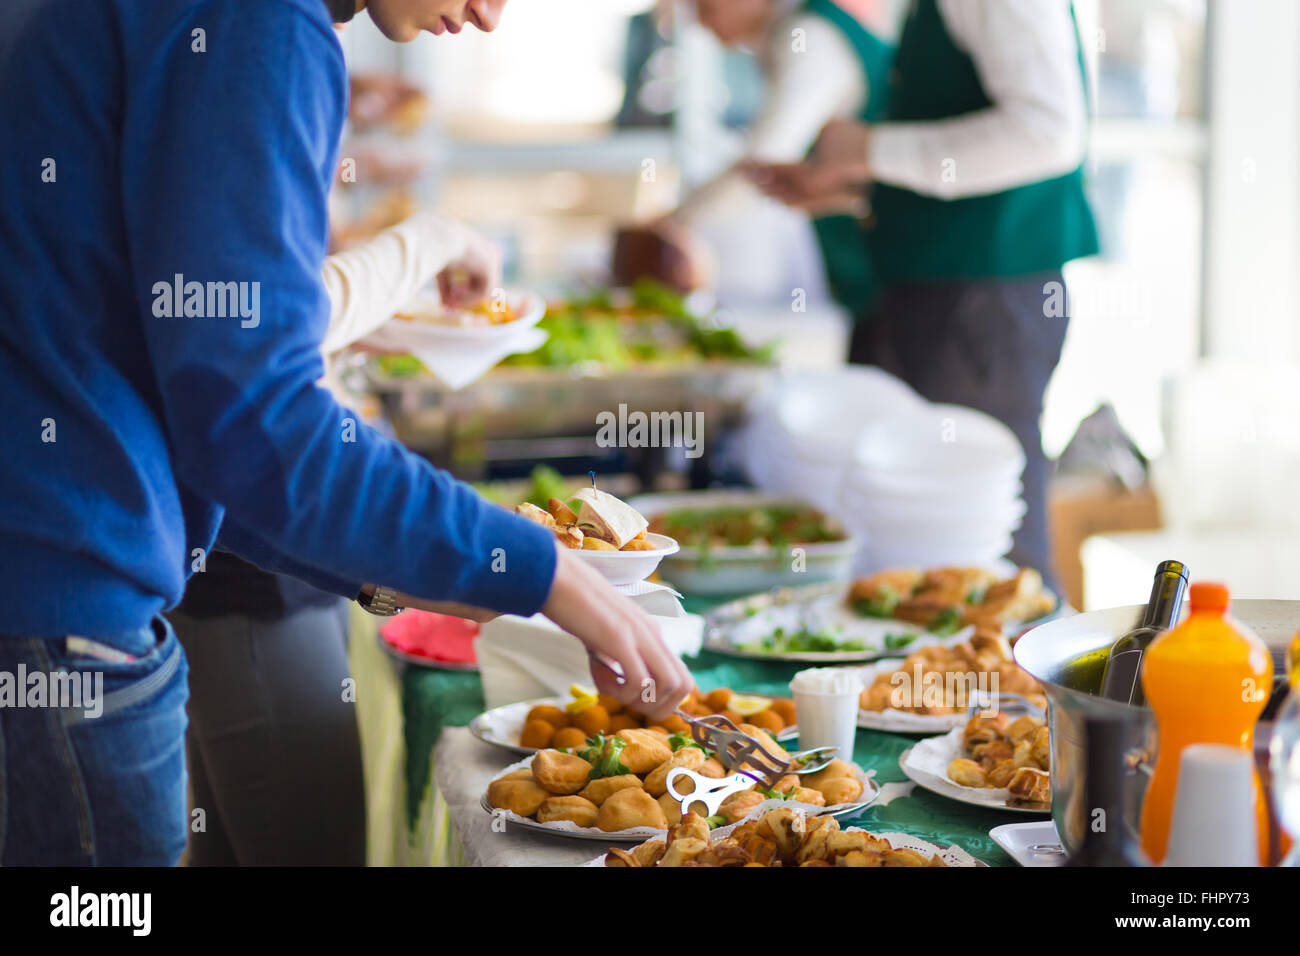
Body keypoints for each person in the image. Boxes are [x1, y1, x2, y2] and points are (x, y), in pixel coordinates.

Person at [0, 0, 693, 866]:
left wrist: (467, 576)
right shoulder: (259, 22)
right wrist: (547, 573)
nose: (489, 15)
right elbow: (257, 423)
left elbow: (199, 418)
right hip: (55, 606)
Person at [755, 0, 1100, 583]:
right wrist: (856, 188)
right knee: (913, 529)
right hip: (938, 290)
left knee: (983, 545)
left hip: (983, 300)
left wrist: (869, 149)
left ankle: (1016, 675)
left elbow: (1047, 132)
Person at [616, 0, 893, 318]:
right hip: (872, 261)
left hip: (911, 262)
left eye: (705, 5)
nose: (699, 21)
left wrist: (673, 221)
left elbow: (766, 162)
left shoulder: (808, 37)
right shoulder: (787, 37)